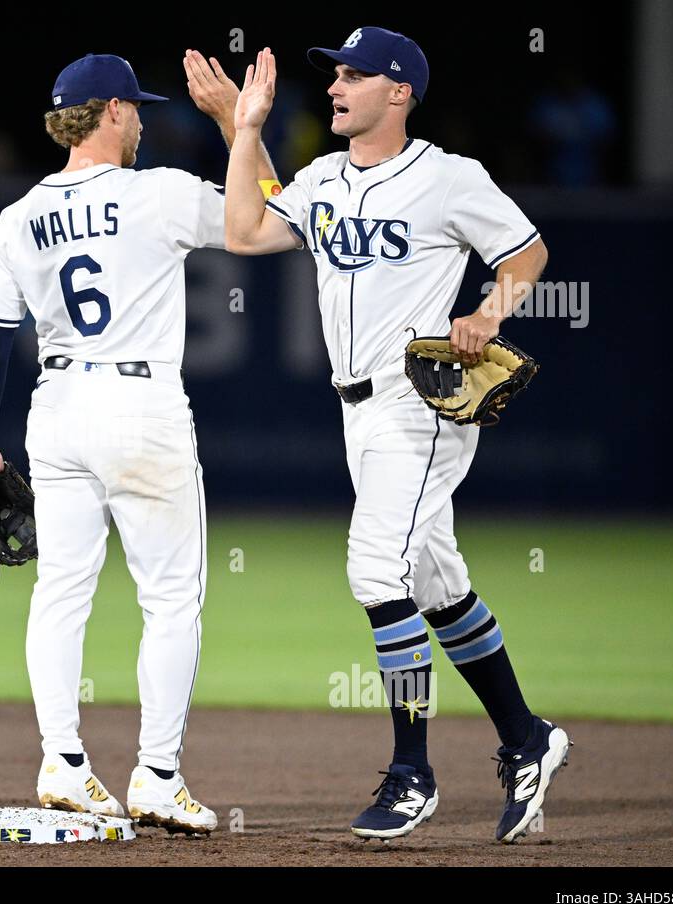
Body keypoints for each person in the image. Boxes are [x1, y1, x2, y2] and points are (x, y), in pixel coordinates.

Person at [222, 32, 569, 843]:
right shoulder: (322, 178)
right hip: (354, 409)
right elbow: (244, 232)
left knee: (375, 565)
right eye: (334, 74)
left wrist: (488, 312)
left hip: (422, 402)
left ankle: (412, 772)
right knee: (438, 582)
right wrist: (241, 131)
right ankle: (528, 738)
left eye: (354, 74)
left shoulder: (447, 178)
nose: (336, 86)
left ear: (400, 91)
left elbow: (527, 252)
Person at [0, 52, 277, 833]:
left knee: (61, 591)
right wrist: (238, 125)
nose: (140, 118)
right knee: (171, 599)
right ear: (108, 112)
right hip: (141, 406)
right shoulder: (159, 193)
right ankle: (159, 776)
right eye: (133, 107)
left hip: (57, 406)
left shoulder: (19, 216)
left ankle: (63, 762)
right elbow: (272, 216)